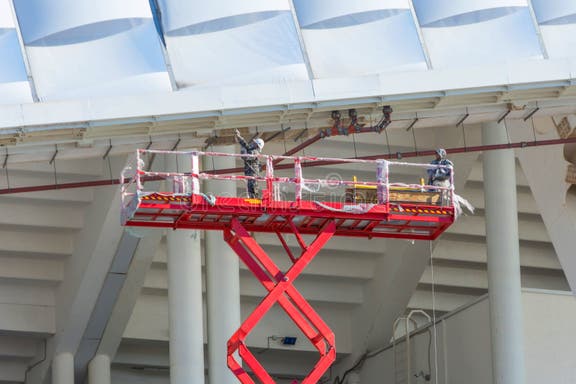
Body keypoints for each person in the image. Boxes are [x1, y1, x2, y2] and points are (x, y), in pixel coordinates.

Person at [235, 129, 265, 198]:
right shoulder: (252, 150)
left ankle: (254, 200)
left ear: (257, 146)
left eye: (254, 143)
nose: (252, 143)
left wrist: (243, 150)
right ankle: (253, 199)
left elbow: (246, 157)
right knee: (251, 189)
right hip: (250, 174)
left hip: (252, 174)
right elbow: (246, 146)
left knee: (253, 189)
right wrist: (239, 137)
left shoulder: (255, 152)